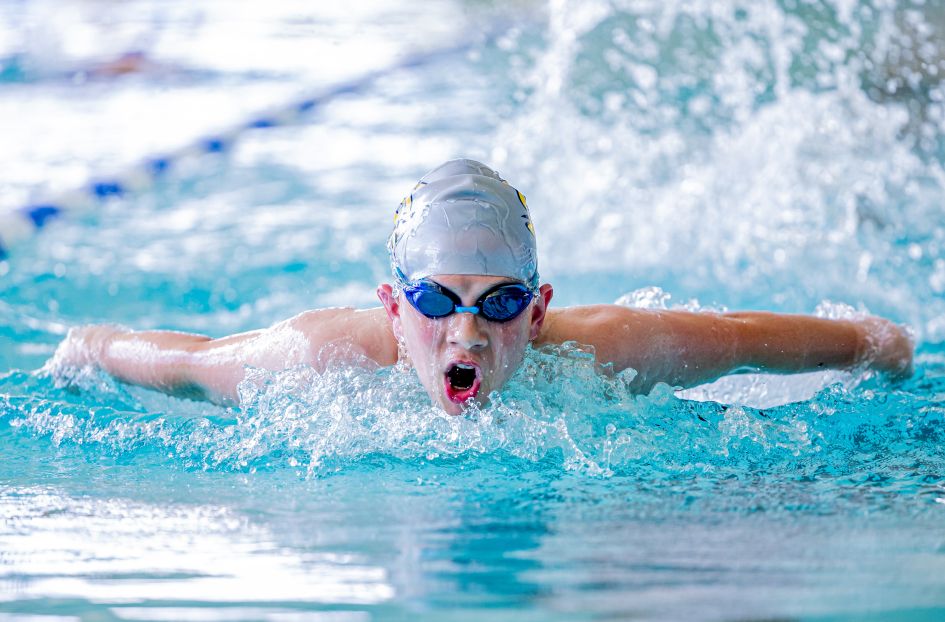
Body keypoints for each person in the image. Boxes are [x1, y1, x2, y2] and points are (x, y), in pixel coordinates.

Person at [50, 159, 915, 415]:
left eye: (499, 303)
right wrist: (86, 348)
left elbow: (747, 340)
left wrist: (882, 347)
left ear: (536, 312)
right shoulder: (318, 360)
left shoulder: (608, 348)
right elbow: (188, 361)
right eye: (436, 301)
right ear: (394, 308)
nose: (466, 335)